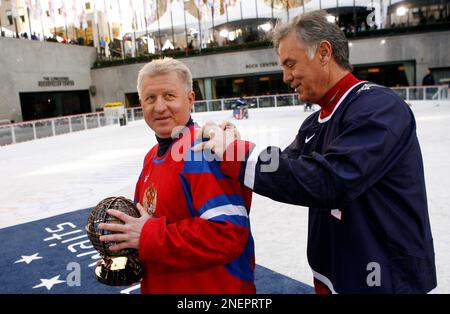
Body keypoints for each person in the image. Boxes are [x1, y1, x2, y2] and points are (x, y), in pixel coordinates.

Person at [194, 11, 437, 294]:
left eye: (290, 63)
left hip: (384, 280)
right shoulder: (314, 122)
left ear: (323, 52)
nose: (285, 77)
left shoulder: (380, 107)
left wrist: (238, 154)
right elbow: (286, 167)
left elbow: (330, 181)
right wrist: (233, 144)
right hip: (334, 273)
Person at [98, 58, 255, 294]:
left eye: (169, 96)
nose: (159, 107)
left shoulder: (204, 149)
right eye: (150, 98)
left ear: (190, 99)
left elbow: (228, 234)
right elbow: (147, 223)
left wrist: (148, 236)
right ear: (141, 103)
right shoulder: (152, 156)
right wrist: (130, 251)